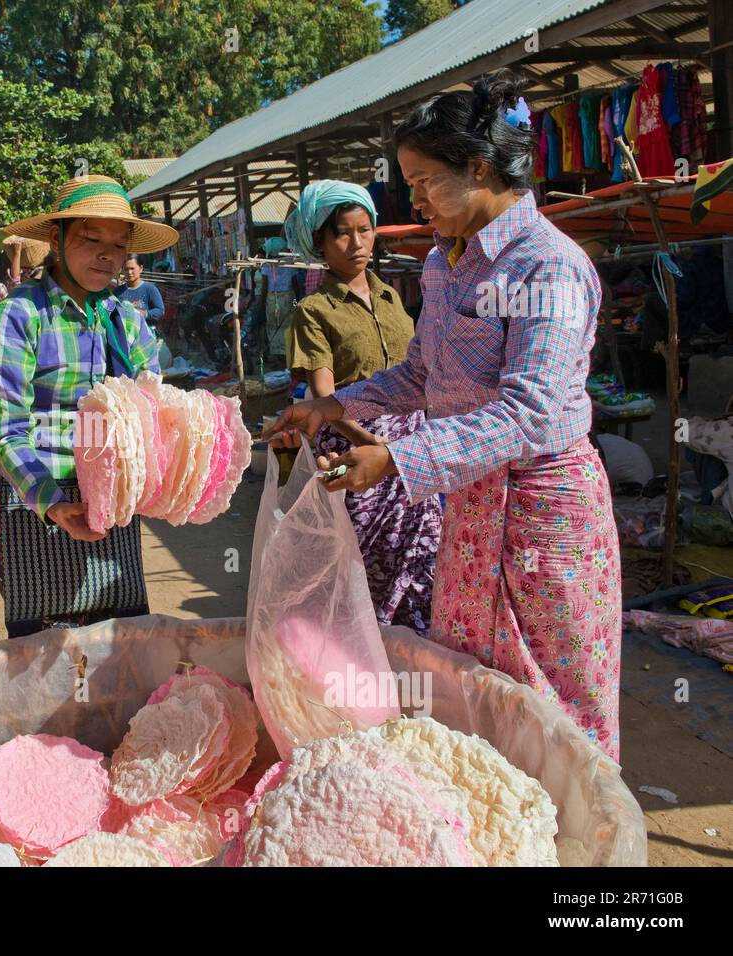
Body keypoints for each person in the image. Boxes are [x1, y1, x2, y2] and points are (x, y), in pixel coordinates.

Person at [265, 71, 621, 761]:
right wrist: (333, 406)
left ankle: (580, 847)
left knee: (552, 697)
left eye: (424, 180)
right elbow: (424, 372)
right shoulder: (443, 264)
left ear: (479, 167)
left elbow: (531, 412)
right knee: (468, 679)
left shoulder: (549, 267)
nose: (414, 198)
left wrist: (397, 458)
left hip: (544, 511)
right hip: (471, 503)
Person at [0, 174, 178, 638]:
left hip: (109, 498)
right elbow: (5, 432)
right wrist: (51, 503)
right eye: (91, 239)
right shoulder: (20, 316)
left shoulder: (125, 320)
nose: (108, 255)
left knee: (121, 638)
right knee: (45, 646)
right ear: (56, 238)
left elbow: (153, 410)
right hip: (33, 497)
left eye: (120, 244)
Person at [286, 181, 442, 634]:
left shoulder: (394, 298)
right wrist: (377, 447)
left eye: (365, 230)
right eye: (341, 233)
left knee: (420, 557)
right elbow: (323, 398)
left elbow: (421, 373)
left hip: (412, 443)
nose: (356, 244)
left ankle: (408, 653)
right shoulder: (313, 311)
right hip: (349, 446)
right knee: (352, 556)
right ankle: (352, 658)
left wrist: (409, 449)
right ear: (320, 241)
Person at [117, 255, 165, 328]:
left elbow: (160, 311)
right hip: (123, 335)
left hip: (145, 335)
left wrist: (144, 313)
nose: (129, 272)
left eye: (132, 268)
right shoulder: (118, 291)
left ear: (141, 269)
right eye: (126, 269)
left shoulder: (150, 289)